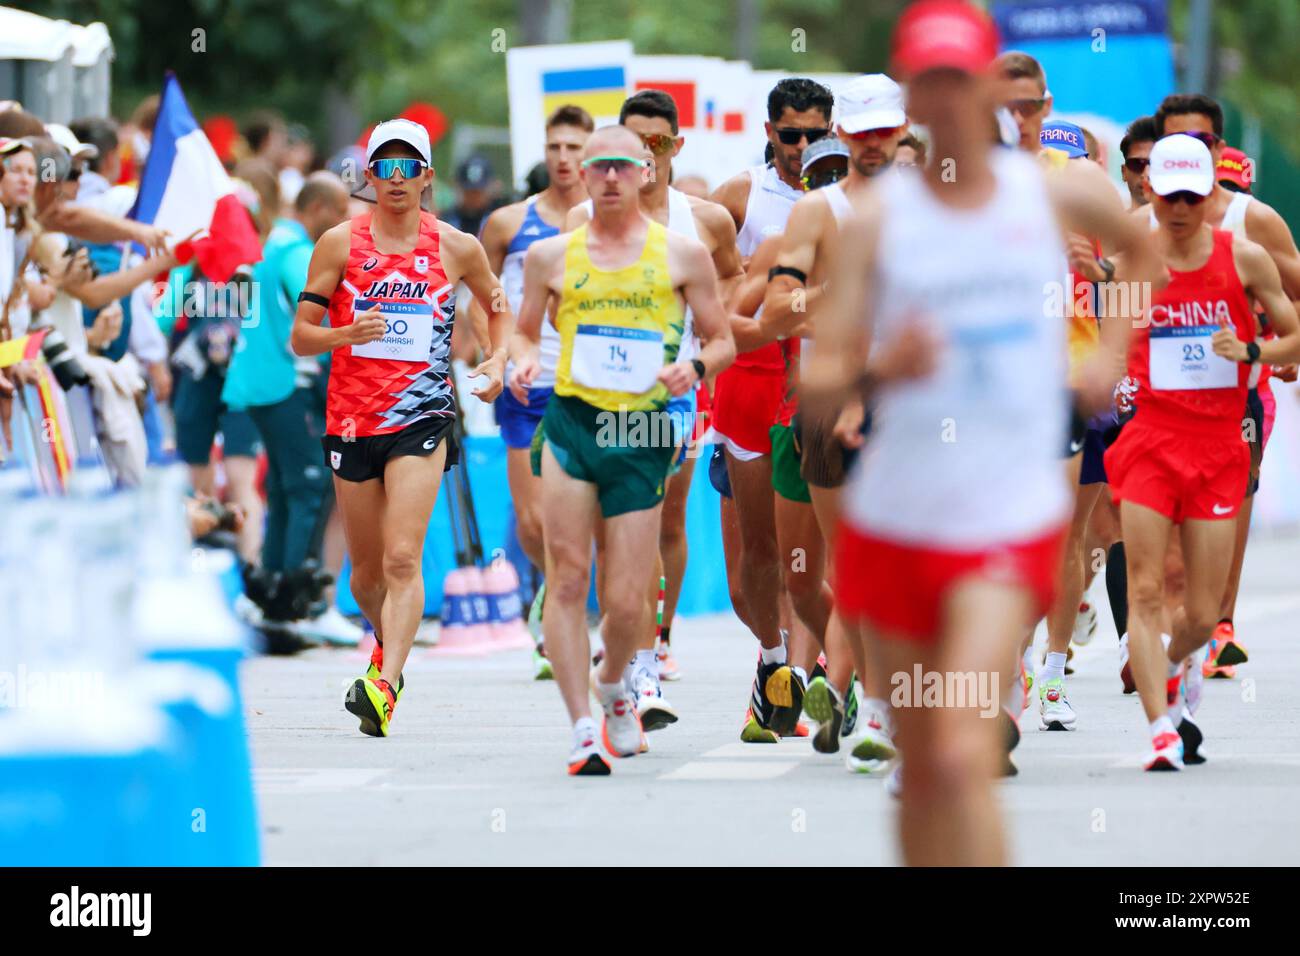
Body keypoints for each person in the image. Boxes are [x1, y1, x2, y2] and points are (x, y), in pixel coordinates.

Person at [807, 0, 1161, 863]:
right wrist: (882, 371)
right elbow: (818, 381)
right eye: (927, 82)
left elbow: (1139, 253)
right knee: (923, 761)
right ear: (912, 100)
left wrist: (1108, 352)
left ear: (988, 85)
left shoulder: (1051, 191)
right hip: (895, 514)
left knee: (966, 747)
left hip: (1006, 511)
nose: (946, 99)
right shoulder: (880, 222)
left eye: (958, 79)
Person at [511, 125, 735, 775]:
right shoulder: (551, 257)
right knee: (569, 574)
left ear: (645, 173)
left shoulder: (684, 255)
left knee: (629, 597)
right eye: (598, 166)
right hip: (574, 423)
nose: (609, 177)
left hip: (642, 431)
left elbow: (721, 340)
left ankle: (615, 684)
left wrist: (693, 368)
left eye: (622, 167)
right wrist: (522, 363)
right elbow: (524, 335)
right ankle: (582, 726)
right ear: (583, 177)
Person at [290, 119, 512, 737]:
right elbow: (300, 338)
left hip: (422, 416)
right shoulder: (338, 244)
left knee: (401, 555)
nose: (395, 178)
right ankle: (388, 650)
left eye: (407, 166)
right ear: (369, 176)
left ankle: (384, 683)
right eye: (384, 167)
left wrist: (496, 359)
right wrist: (344, 334)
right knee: (364, 575)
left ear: (426, 176)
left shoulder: (456, 246)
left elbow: (498, 307)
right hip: (353, 420)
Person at [1104, 132, 1299, 769]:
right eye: (1168, 195)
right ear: (1150, 191)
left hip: (1218, 445)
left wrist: (1251, 353)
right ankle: (1161, 730)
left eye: (1193, 194)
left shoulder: (1244, 259)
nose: (1180, 208)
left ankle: (1179, 664)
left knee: (1206, 612)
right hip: (1150, 441)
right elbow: (1109, 344)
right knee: (1146, 590)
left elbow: (1293, 338)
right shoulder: (1133, 259)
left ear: (1212, 189)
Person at [566, 89, 743, 706]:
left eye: (659, 144)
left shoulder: (706, 221)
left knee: (662, 515)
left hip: (679, 393)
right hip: (598, 397)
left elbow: (736, 288)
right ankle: (630, 643)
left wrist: (707, 357)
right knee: (618, 529)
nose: (646, 155)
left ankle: (654, 642)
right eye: (634, 144)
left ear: (675, 147)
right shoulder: (585, 220)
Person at [760, 73, 911, 765]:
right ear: (843, 135)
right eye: (864, 130)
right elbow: (778, 303)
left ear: (902, 131)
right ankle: (853, 689)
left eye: (888, 130)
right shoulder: (818, 214)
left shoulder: (935, 211)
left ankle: (874, 706)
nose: (876, 143)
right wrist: (822, 288)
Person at [1149, 94, 1300, 678]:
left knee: (1227, 508)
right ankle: (1160, 631)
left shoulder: (1251, 220)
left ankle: (1217, 625)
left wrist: (1273, 342)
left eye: (1204, 144)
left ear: (1219, 149)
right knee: (1155, 536)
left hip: (1237, 393)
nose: (1191, 156)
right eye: (1175, 146)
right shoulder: (1139, 227)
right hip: (1157, 402)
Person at [707, 77, 835, 738]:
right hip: (748, 381)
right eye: (791, 135)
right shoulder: (741, 196)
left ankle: (816, 679)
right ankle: (774, 659)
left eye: (816, 133)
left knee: (808, 556)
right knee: (751, 567)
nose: (803, 146)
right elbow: (715, 290)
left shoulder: (847, 197)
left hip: (817, 388)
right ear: (769, 133)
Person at [479, 104, 593, 680]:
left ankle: (562, 610)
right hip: (527, 381)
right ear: (544, 153)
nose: (565, 158)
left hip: (587, 383)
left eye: (575, 147)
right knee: (530, 518)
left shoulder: (607, 222)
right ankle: (552, 592)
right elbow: (480, 296)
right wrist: (494, 356)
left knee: (577, 511)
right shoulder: (506, 223)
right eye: (555, 147)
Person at [224, 172, 352, 638]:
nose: (342, 222)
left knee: (282, 486)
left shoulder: (269, 244)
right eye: (338, 212)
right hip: (283, 385)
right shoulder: (298, 252)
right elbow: (326, 307)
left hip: (253, 384)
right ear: (317, 209)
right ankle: (293, 600)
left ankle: (273, 592)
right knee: (306, 485)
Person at [1120, 116, 1158, 209]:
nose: (1146, 173)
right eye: (1137, 164)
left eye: (1156, 164)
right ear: (1124, 172)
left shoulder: (1195, 223)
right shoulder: (1109, 224)